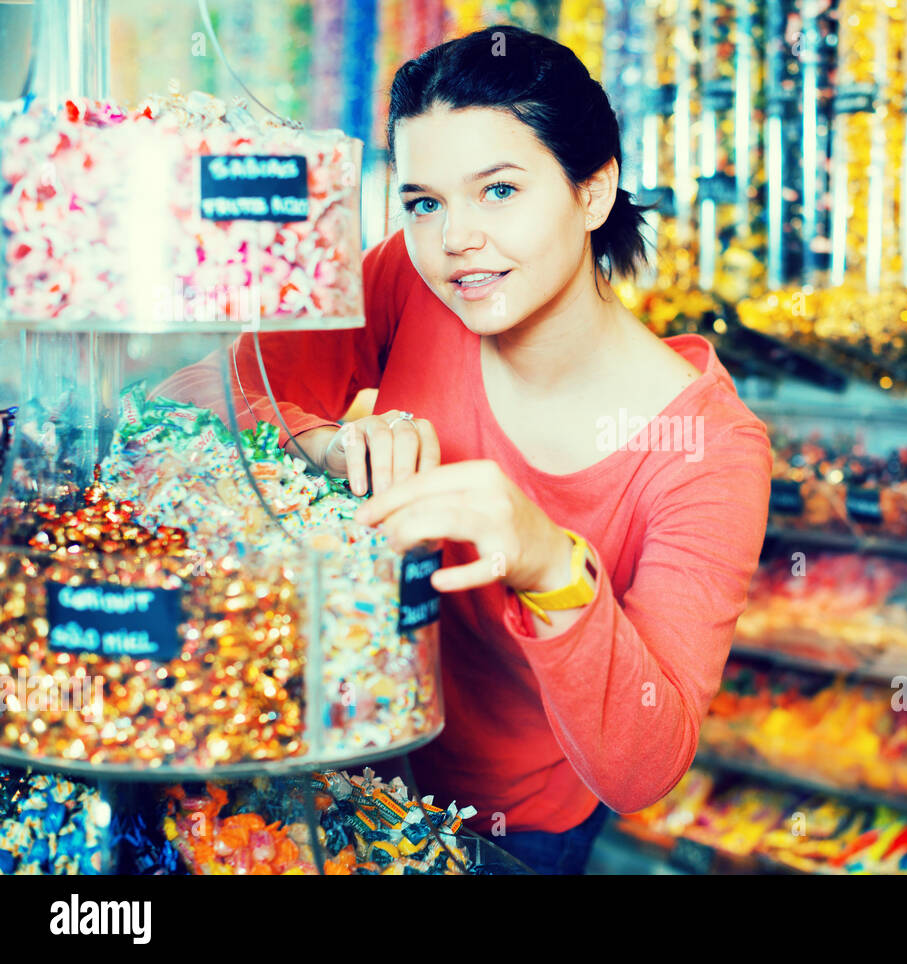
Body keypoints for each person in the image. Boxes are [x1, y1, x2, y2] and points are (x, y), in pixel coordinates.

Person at [160, 25, 771, 874]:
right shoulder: (413, 284)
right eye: (424, 202)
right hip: (328, 773)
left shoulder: (708, 448)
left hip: (514, 827)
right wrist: (322, 445)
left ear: (594, 193)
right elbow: (184, 397)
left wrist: (550, 564)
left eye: (499, 190)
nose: (455, 239)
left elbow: (642, 767)